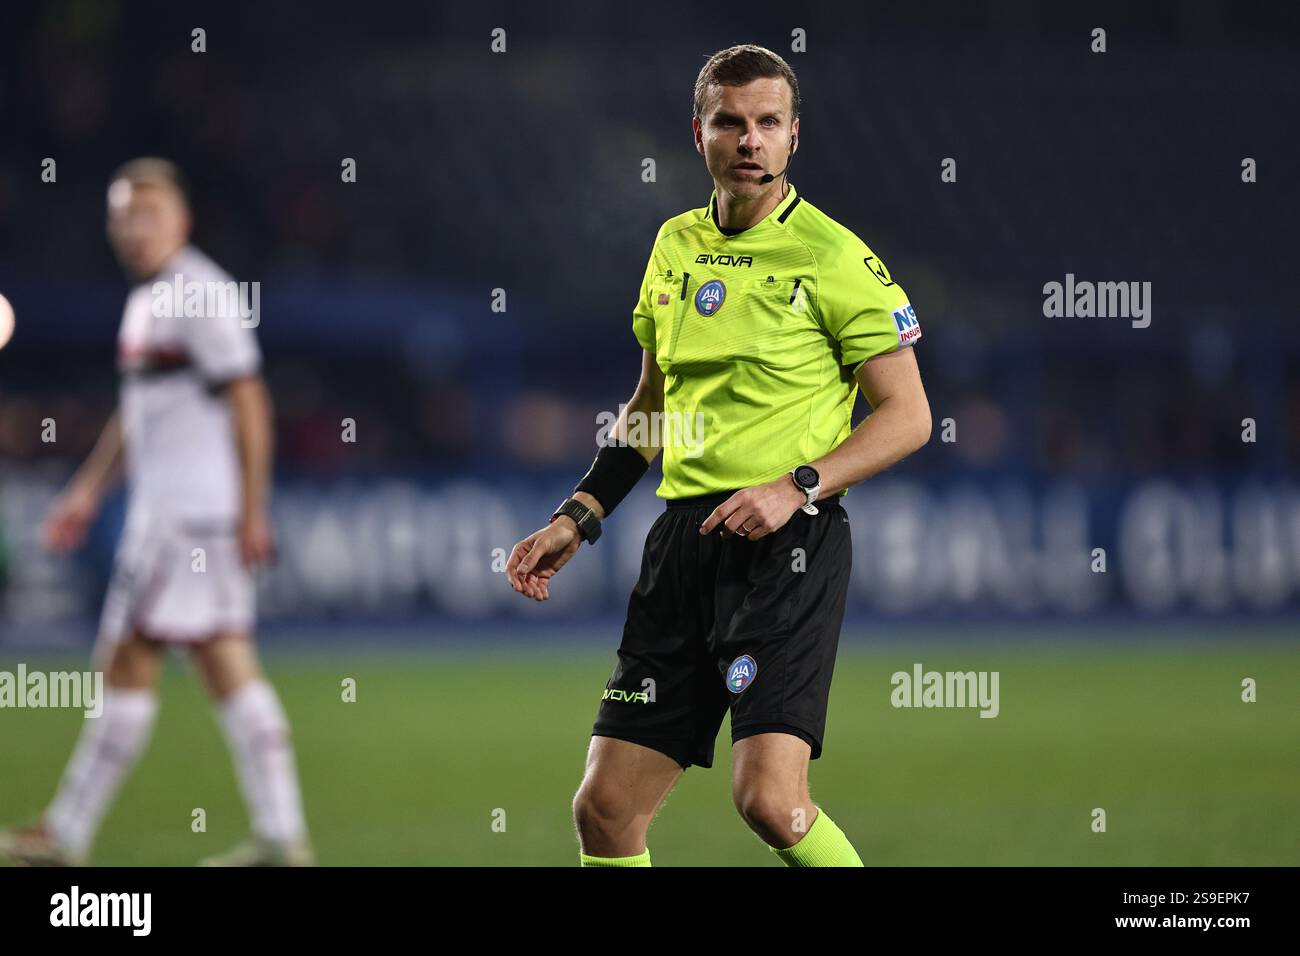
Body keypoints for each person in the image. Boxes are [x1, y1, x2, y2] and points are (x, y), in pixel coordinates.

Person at [506, 45, 932, 867]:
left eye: (768, 124)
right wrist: (578, 516)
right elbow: (650, 408)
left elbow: (909, 416)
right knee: (603, 811)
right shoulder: (672, 246)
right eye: (730, 123)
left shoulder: (834, 257)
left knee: (770, 801)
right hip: (682, 548)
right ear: (697, 131)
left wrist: (797, 485)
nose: (749, 141)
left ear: (794, 136)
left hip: (788, 548)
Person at [0, 158, 312, 867]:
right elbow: (141, 415)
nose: (133, 229)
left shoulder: (201, 292)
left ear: (182, 221)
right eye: (122, 216)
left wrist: (252, 510)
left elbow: (250, 402)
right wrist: (88, 490)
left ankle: (68, 835)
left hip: (189, 520)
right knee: (208, 663)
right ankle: (278, 838)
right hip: (174, 516)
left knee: (145, 660)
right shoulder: (152, 299)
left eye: (149, 215)